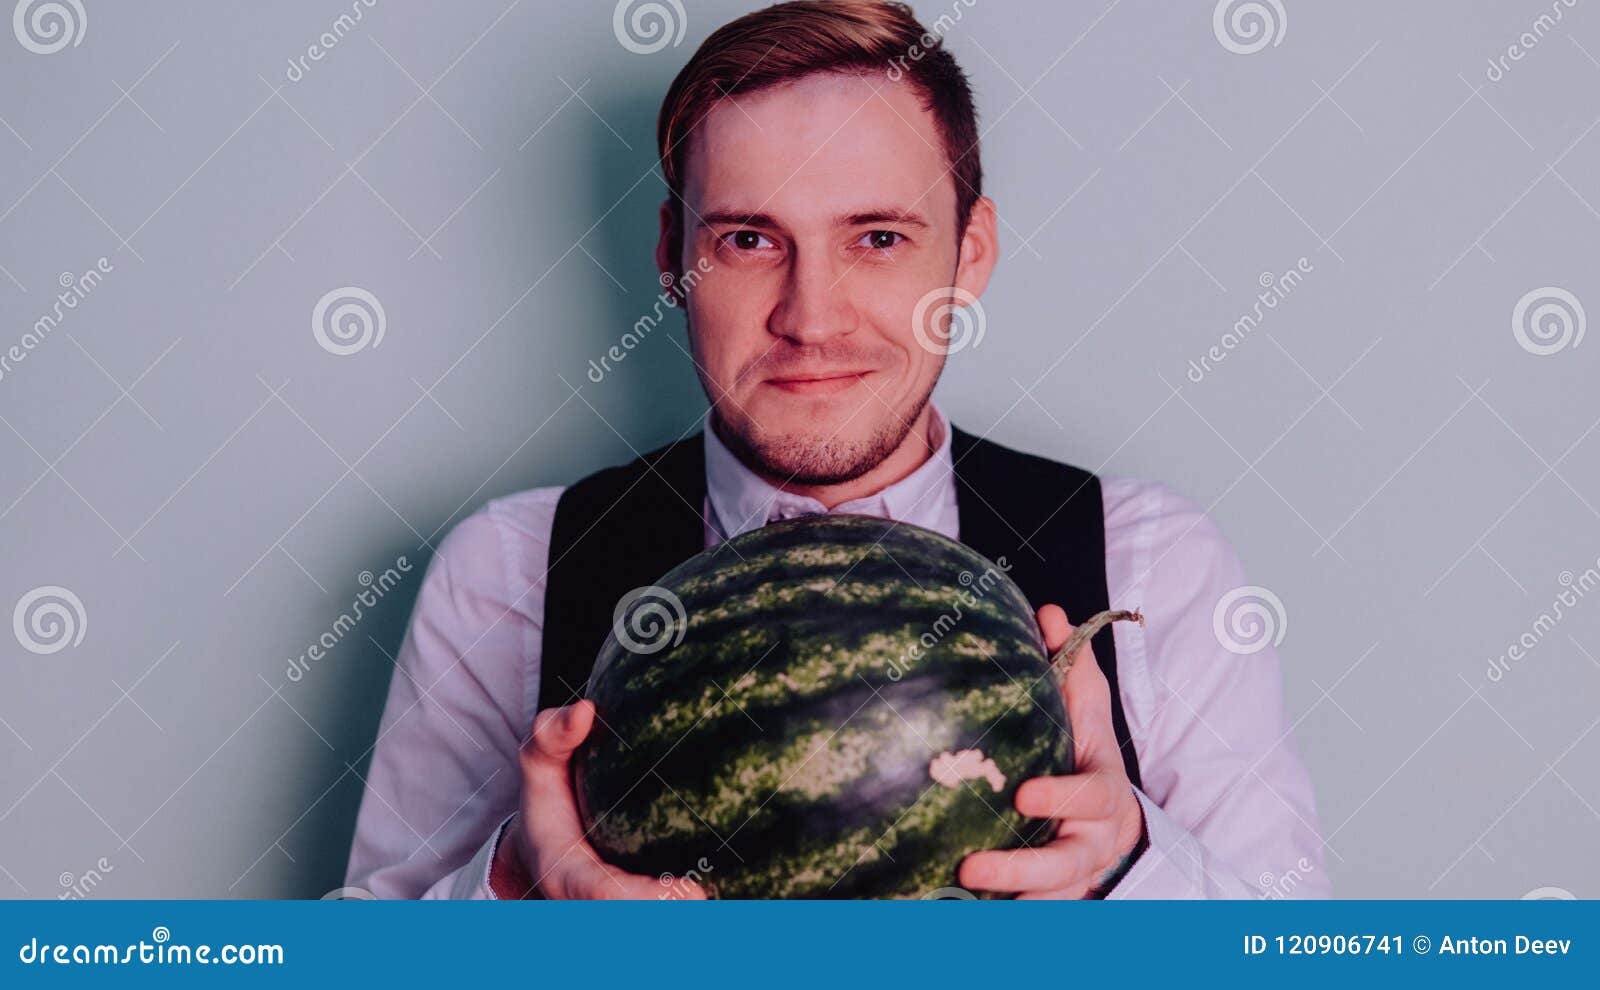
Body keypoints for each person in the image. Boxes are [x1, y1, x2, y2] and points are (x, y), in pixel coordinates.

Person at [345, 0, 1327, 900]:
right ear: (670, 258)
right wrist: (516, 883)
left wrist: (1129, 861)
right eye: (746, 241)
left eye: (879, 239)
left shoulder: (1148, 558)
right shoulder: (509, 572)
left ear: (968, 253)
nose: (811, 319)